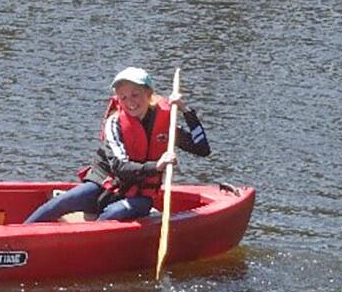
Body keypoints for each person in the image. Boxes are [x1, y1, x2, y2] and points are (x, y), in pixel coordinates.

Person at [24, 67, 210, 223]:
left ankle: (89, 241)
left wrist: (186, 111)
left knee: (114, 214)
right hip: (105, 185)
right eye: (123, 98)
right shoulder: (115, 123)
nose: (130, 103)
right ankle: (20, 237)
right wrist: (157, 166)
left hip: (139, 195)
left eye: (135, 95)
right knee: (60, 203)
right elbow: (119, 167)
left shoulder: (164, 125)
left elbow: (202, 149)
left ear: (148, 94)